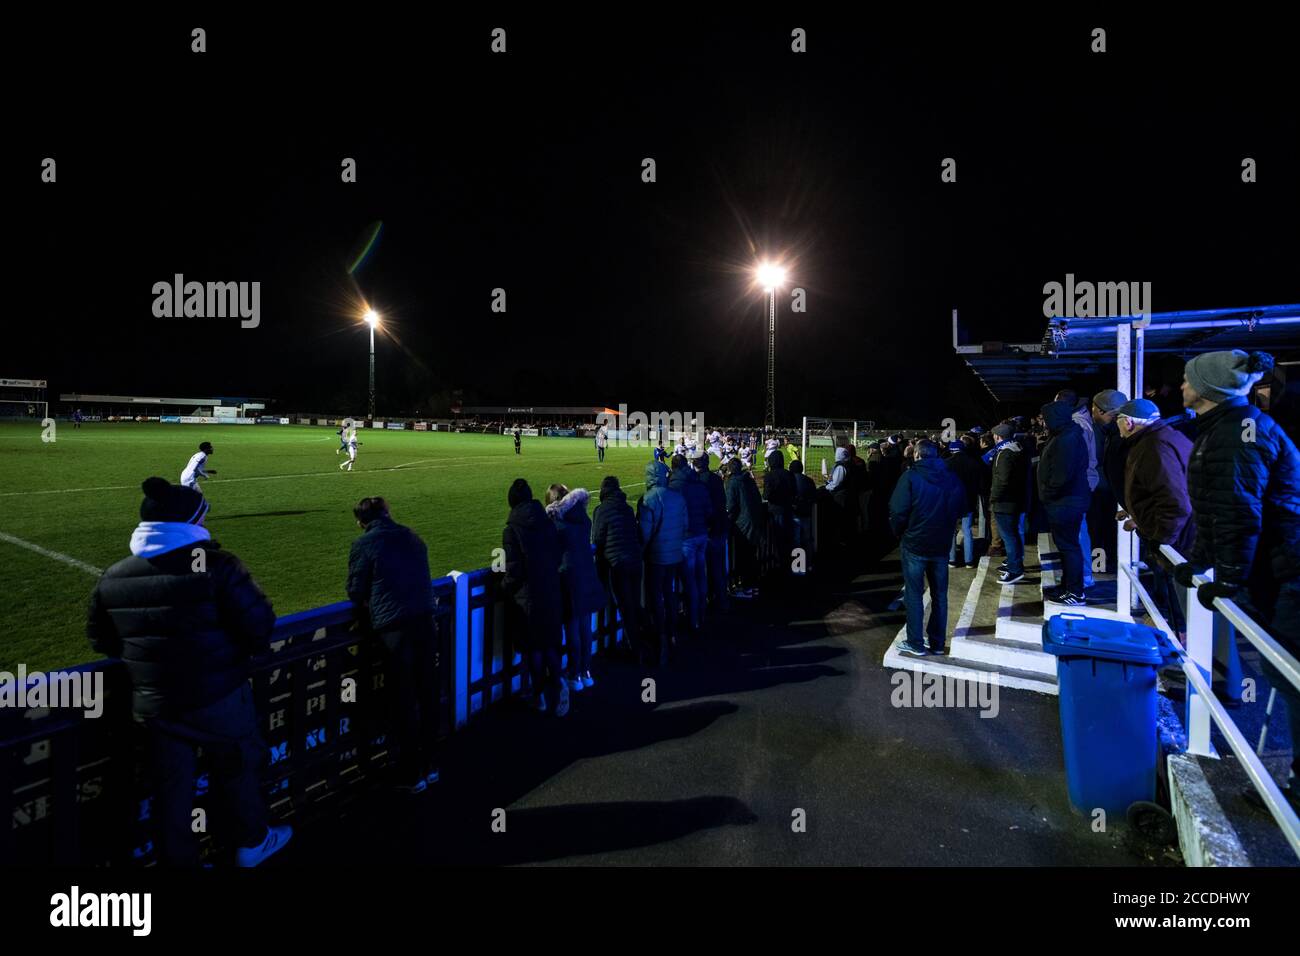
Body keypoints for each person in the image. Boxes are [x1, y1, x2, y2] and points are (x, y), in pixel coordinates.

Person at [86, 477, 290, 866]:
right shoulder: (217, 565)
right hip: (219, 698)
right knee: (237, 770)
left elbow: (101, 640)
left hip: (154, 706)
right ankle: (249, 842)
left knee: (171, 791)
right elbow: (259, 625)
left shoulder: (114, 574)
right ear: (190, 524)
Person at [1175, 351, 1300, 809]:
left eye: (1188, 380)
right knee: (1282, 672)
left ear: (1207, 389)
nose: (1181, 386)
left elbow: (1239, 512)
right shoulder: (1223, 427)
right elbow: (1217, 508)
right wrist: (1202, 560)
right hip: (1275, 570)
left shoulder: (1237, 432)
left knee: (1289, 676)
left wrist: (1226, 577)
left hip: (1287, 571)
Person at [346, 496, 441, 792]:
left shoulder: (364, 544)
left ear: (362, 522)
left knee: (403, 699)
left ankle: (412, 773)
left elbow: (354, 590)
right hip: (426, 621)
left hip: (394, 629)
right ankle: (432, 764)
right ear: (387, 512)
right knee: (427, 694)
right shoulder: (412, 536)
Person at [1115, 400, 1194, 639]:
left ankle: (1188, 653)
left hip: (1180, 542)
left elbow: (1176, 503)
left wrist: (1162, 539)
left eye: (1119, 421)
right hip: (1186, 535)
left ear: (1128, 422)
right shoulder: (1168, 437)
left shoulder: (1152, 447)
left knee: (1185, 602)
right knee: (1181, 599)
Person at [888, 440, 968, 656]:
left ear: (916, 455)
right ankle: (937, 643)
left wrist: (900, 532)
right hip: (941, 545)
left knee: (914, 594)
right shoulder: (951, 477)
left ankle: (916, 643)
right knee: (939, 595)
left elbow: (897, 511)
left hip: (916, 543)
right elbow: (962, 508)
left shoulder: (911, 477)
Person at [501, 479, 568, 716]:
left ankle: (539, 696)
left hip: (528, 597)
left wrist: (504, 586)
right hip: (550, 590)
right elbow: (558, 555)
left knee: (534, 649)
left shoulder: (512, 530)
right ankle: (560, 688)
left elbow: (513, 570)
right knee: (550, 644)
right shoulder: (547, 522)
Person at [546, 484, 605, 690]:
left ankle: (574, 674)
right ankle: (586, 671)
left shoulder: (557, 522)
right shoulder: (582, 518)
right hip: (587, 573)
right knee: (584, 626)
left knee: (572, 626)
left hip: (570, 577)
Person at [1037, 399, 1092, 606]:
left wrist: (1048, 494)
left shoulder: (1067, 438)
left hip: (1065, 502)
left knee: (1069, 547)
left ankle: (1075, 592)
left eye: (1045, 418)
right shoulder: (1065, 434)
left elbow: (1061, 475)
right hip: (1065, 501)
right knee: (1066, 546)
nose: (1043, 422)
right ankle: (1067, 586)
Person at [638, 460, 687, 665]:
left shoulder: (649, 499)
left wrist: (642, 549)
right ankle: (672, 631)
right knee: (670, 592)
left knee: (655, 596)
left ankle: (660, 636)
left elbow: (644, 533)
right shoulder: (677, 497)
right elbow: (685, 525)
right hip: (675, 554)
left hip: (656, 556)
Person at [591, 475, 645, 660]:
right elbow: (636, 533)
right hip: (635, 560)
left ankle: (637, 650)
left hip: (617, 563)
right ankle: (651, 639)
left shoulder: (601, 510)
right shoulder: (627, 508)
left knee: (626, 606)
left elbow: (597, 539)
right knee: (634, 604)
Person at [1056, 389, 1099, 590]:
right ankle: (1081, 574)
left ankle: (1083, 576)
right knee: (1078, 532)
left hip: (1078, 485)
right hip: (1081, 483)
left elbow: (1074, 460)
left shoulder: (1078, 425)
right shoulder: (1080, 422)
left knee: (1077, 533)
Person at [669, 455, 713, 633]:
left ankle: (693, 619)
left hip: (686, 538)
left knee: (689, 580)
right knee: (700, 575)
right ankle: (701, 613)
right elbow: (709, 511)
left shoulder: (677, 488)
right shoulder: (700, 485)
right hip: (702, 534)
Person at [987, 423, 1029, 584]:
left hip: (1004, 502)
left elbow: (1002, 481)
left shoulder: (1005, 453)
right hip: (1015, 500)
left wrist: (993, 497)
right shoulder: (1018, 449)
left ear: (998, 436)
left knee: (1009, 536)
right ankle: (1013, 562)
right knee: (1013, 535)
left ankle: (1015, 569)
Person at [693, 450, 731, 613]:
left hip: (707, 530)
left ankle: (707, 604)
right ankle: (721, 599)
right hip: (720, 527)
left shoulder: (698, 482)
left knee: (704, 570)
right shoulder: (716, 479)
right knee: (719, 567)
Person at [725, 457, 766, 595]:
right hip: (754, 520)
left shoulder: (733, 482)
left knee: (743, 555)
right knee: (751, 554)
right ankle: (753, 585)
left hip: (742, 524)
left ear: (730, 469)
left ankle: (747, 587)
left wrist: (728, 518)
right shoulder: (748, 479)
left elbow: (731, 506)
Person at [945, 435, 981, 568]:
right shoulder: (973, 463)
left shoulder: (947, 463)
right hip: (968, 501)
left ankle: (952, 559)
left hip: (951, 502)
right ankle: (969, 560)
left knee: (951, 531)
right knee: (967, 530)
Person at [763, 449, 795, 573]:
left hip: (775, 511)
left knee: (777, 540)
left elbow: (766, 495)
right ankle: (790, 564)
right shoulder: (789, 474)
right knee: (789, 537)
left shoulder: (770, 476)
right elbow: (794, 491)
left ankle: (779, 566)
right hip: (788, 509)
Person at [789, 457, 818, 554]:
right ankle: (808, 563)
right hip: (807, 513)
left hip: (795, 514)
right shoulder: (809, 480)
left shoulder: (790, 480)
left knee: (796, 540)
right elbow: (814, 496)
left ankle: (799, 567)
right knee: (807, 539)